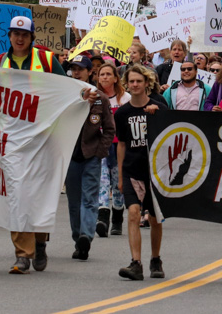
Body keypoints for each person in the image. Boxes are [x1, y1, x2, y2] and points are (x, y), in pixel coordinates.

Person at [0, 16, 67, 275]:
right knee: (17, 195)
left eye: (24, 34)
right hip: (12, 138)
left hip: (43, 137)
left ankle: (40, 241)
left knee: (38, 193)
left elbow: (65, 90)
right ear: (9, 36)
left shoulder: (45, 61)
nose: (19, 38)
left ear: (32, 37)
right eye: (15, 33)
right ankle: (22, 254)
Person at [115, 64, 168, 281]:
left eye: (139, 81)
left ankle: (155, 259)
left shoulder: (159, 108)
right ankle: (135, 263)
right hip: (131, 171)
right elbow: (121, 145)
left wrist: (157, 118)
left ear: (147, 83)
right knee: (134, 214)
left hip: (154, 173)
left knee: (154, 219)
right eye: (131, 81)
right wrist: (120, 176)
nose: (135, 85)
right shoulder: (122, 113)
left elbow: (169, 139)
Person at [65, 56, 115, 261]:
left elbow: (109, 129)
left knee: (89, 199)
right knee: (74, 201)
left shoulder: (100, 99)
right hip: (70, 155)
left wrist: (100, 151)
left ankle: (86, 235)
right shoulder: (66, 96)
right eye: (74, 69)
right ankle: (78, 238)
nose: (77, 72)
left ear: (89, 72)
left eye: (81, 69)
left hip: (91, 156)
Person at [94, 62, 131, 237]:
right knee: (102, 181)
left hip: (120, 147)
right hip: (101, 146)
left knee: (117, 183)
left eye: (109, 74)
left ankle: (117, 219)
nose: (105, 77)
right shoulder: (94, 98)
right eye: (102, 74)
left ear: (116, 78)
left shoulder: (125, 99)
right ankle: (102, 218)